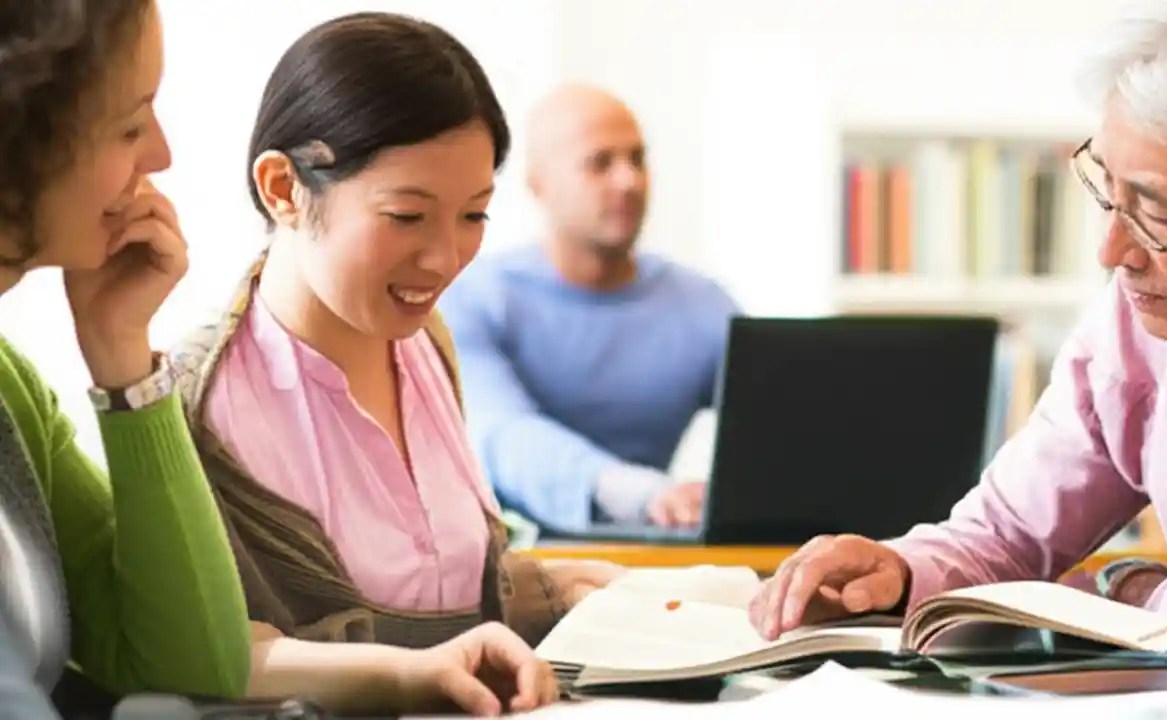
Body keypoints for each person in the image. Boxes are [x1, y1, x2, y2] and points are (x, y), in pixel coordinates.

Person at [749, 0, 1167, 655]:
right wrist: (899, 575)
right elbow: (1006, 531)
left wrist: (1121, 590)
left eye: (1158, 215)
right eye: (1107, 191)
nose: (1112, 252)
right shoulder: (1132, 328)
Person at [171, 13, 609, 716]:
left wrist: (577, 593)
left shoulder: (426, 343)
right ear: (283, 189)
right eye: (407, 216)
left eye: (473, 216)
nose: (443, 260)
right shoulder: (196, 403)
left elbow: (451, 597)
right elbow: (201, 653)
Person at [0, 0, 253, 709]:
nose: (161, 155)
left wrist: (122, 357)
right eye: (132, 124)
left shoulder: (8, 386)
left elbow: (195, 670)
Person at [438, 84, 740, 532]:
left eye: (637, 159)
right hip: (510, 562)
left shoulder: (704, 306)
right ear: (537, 183)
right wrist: (647, 494)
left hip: (655, 554)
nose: (629, 181)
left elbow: (782, 426)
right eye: (600, 163)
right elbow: (502, 435)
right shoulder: (474, 297)